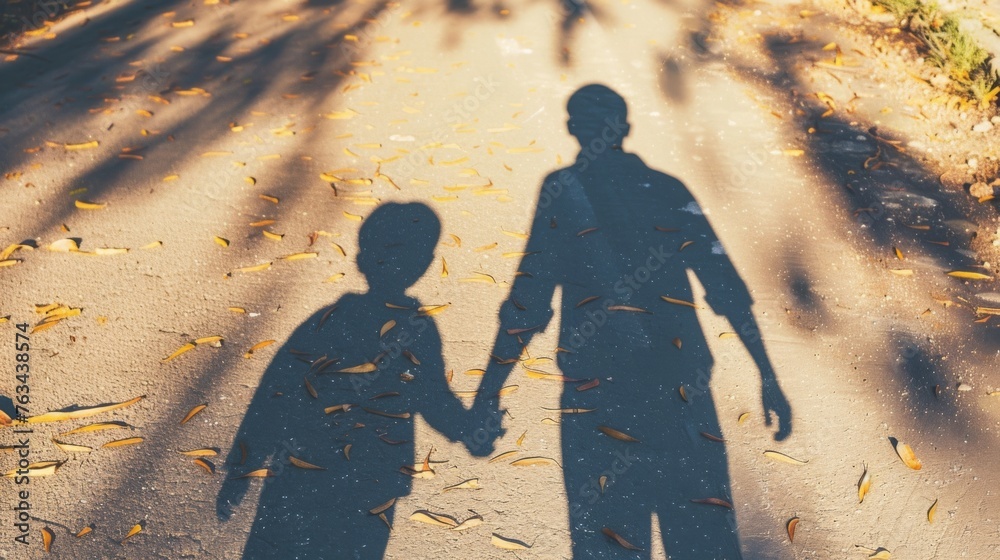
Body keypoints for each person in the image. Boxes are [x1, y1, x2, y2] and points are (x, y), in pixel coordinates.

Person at [471, 84, 792, 558]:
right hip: (681, 391)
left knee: (607, 542)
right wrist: (766, 373)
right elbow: (724, 284)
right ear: (625, 128)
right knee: (701, 541)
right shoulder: (668, 190)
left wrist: (489, 391)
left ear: (572, 129)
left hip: (595, 395)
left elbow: (529, 300)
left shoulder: (562, 190)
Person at [218, 202, 472, 559]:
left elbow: (275, 392)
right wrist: (471, 430)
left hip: (301, 476)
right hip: (370, 486)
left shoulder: (325, 322)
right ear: (426, 265)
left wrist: (242, 465)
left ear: (361, 260)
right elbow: (433, 399)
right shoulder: (418, 329)